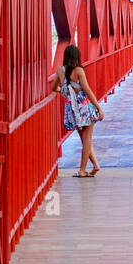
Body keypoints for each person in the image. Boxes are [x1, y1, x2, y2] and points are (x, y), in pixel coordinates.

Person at [51, 45, 104, 177]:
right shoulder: (79, 70)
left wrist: (66, 93)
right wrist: (99, 108)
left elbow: (54, 88)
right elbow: (87, 90)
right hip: (84, 107)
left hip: (72, 109)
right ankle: (82, 170)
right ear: (77, 56)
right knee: (88, 139)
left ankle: (95, 166)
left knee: (84, 139)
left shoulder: (59, 71)